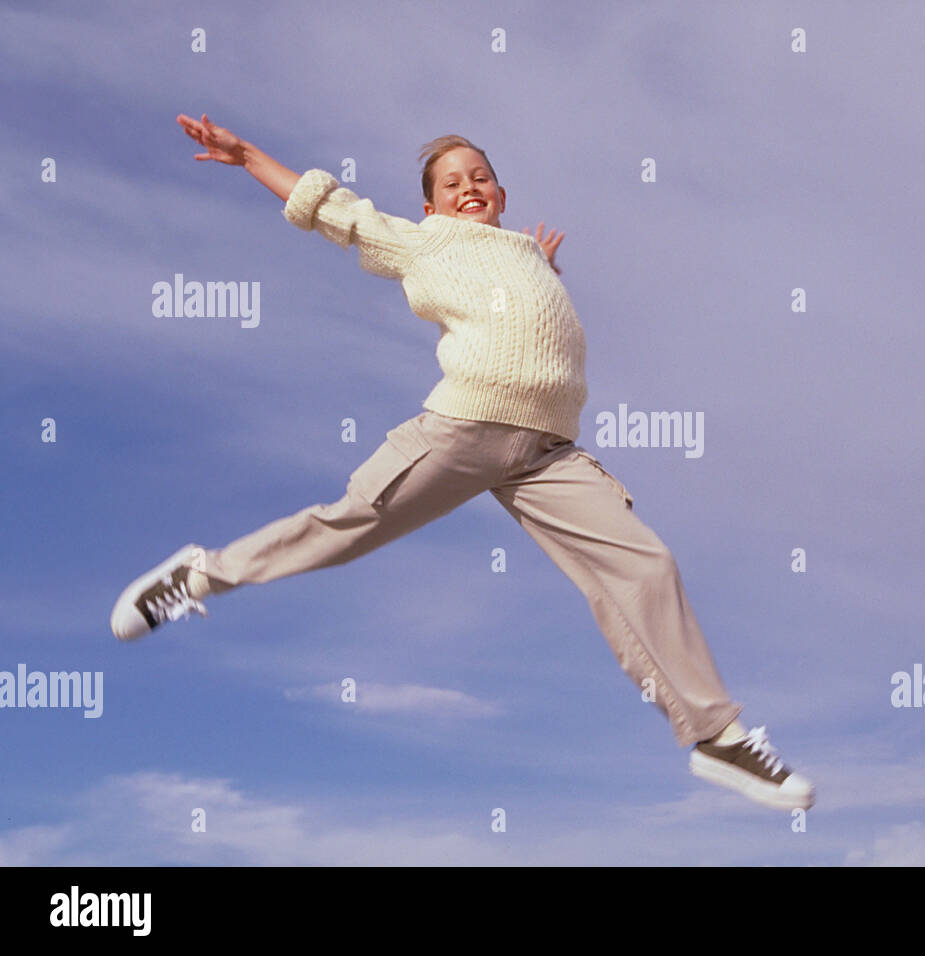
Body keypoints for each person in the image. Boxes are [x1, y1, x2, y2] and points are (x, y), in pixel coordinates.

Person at [109, 113, 815, 812]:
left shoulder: (526, 254)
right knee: (347, 527)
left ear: (501, 195)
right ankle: (197, 573)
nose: (469, 187)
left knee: (644, 567)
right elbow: (332, 210)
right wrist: (250, 155)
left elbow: (529, 316)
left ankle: (717, 736)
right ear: (431, 205)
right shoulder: (426, 244)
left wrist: (536, 268)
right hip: (462, 430)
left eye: (481, 177)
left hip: (546, 454)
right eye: (452, 183)